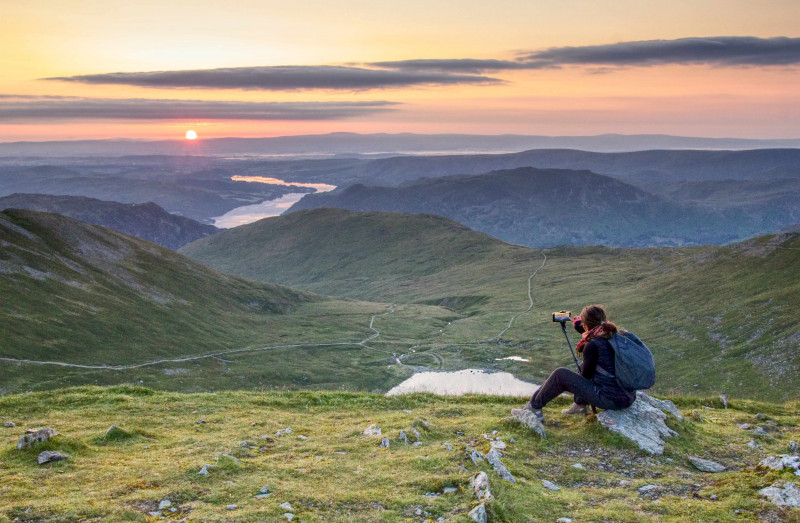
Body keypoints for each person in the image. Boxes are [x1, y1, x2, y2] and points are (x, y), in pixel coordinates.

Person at [512, 304, 636, 421]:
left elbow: (586, 376)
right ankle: (579, 406)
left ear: (587, 325)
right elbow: (595, 336)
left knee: (560, 375)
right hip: (627, 396)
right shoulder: (613, 335)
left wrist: (570, 380)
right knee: (587, 368)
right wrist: (580, 327)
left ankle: (534, 409)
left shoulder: (592, 346)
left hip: (611, 399)